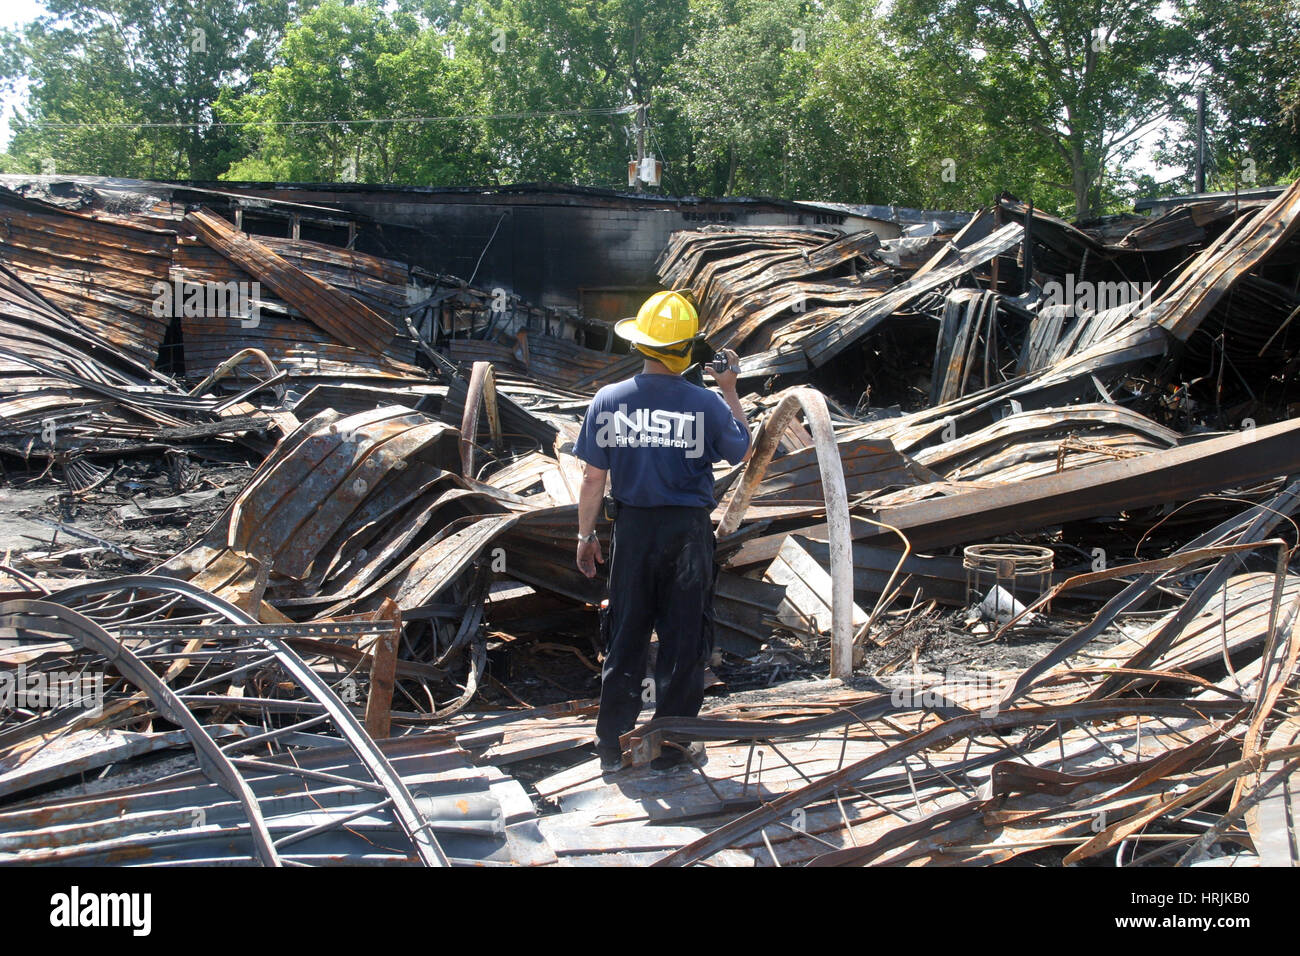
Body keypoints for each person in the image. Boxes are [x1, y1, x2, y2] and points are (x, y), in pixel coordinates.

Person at [572, 290, 751, 773]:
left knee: (626, 633)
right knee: (684, 636)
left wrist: (586, 537)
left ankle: (612, 745)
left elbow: (593, 478)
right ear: (687, 349)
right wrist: (730, 389)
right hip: (687, 534)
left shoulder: (608, 400)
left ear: (643, 344)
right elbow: (740, 451)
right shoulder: (708, 403)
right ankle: (671, 746)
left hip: (632, 531)